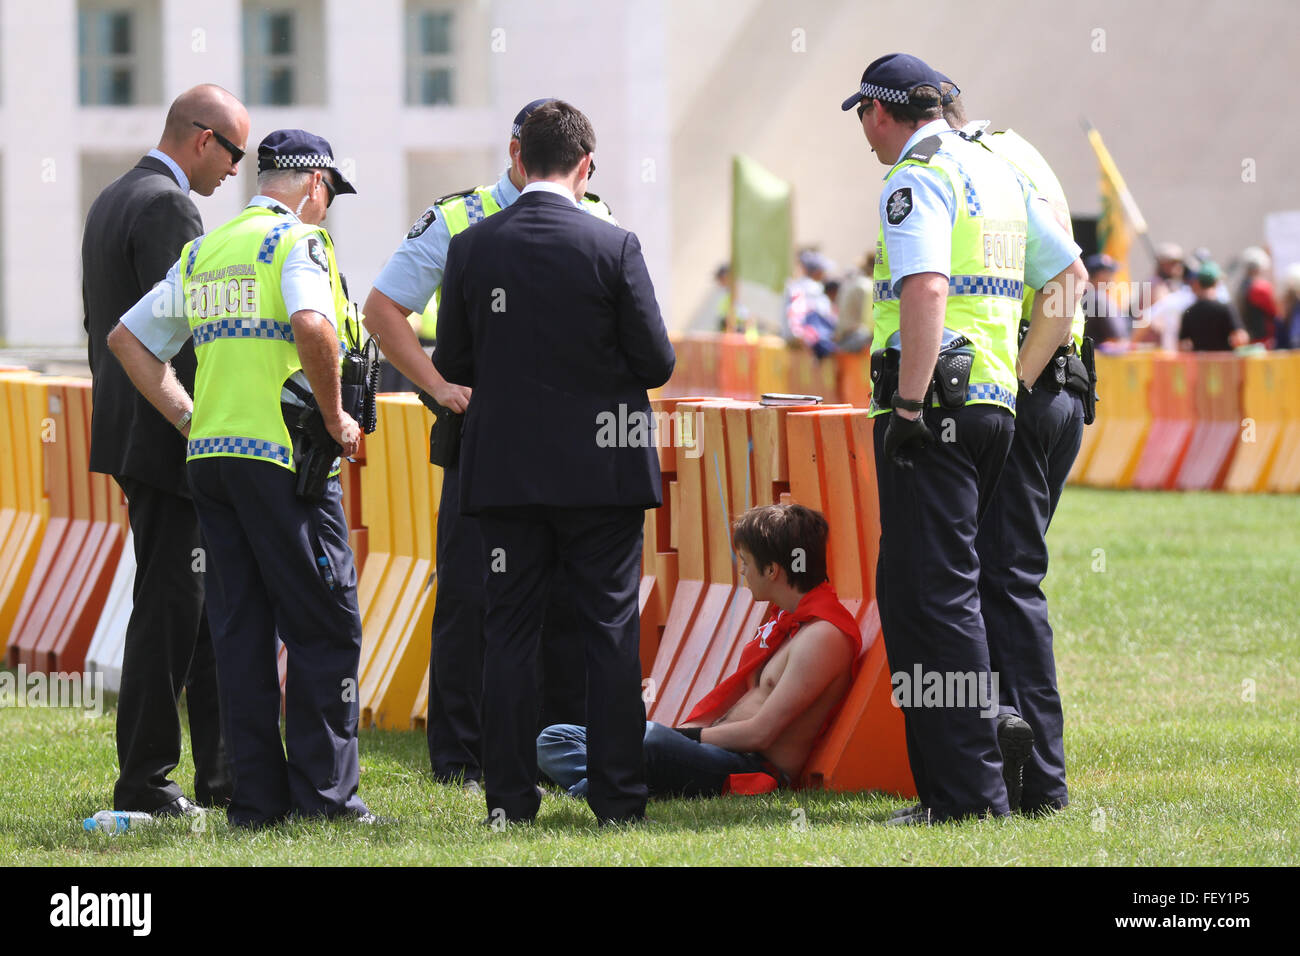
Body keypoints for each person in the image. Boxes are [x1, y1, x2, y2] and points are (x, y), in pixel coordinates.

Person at [107, 129, 376, 828]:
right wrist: (338, 415)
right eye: (328, 197)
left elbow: (126, 340)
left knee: (240, 629)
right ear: (314, 184)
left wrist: (188, 417)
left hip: (213, 461)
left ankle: (256, 802)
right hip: (285, 462)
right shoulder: (298, 244)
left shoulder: (207, 249)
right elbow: (314, 326)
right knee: (325, 624)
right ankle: (327, 800)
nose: (325, 210)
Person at [843, 53, 1084, 824]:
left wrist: (909, 406)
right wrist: (1011, 379)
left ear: (881, 112)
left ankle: (966, 796)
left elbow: (926, 287)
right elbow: (1069, 278)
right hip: (992, 411)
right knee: (983, 592)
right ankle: (1009, 767)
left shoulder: (915, 177)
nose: (864, 134)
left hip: (936, 410)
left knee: (928, 599)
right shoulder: (996, 169)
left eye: (863, 117)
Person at [363, 99, 617, 793]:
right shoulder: (457, 219)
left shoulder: (597, 217)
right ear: (513, 152)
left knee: (564, 605)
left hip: (570, 454)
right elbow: (384, 309)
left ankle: (559, 754)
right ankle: (463, 760)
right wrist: (438, 387)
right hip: (484, 447)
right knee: (473, 601)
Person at [432, 100, 674, 825]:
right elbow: (656, 361)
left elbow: (455, 362)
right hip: (604, 473)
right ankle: (619, 800)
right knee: (607, 631)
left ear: (518, 157)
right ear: (586, 165)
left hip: (506, 476)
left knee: (507, 633)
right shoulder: (614, 245)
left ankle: (508, 799)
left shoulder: (472, 247)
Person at [82, 84, 249, 818]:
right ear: (203, 139)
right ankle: (147, 780)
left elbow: (100, 321)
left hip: (132, 432)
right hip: (169, 436)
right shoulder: (169, 206)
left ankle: (221, 777)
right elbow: (179, 329)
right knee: (170, 610)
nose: (233, 173)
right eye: (234, 154)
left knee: (199, 606)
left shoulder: (114, 196)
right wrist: (201, 421)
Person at [942, 83, 1094, 815]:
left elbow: (1069, 282)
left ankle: (1038, 784)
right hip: (1057, 393)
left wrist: (1012, 386)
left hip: (1026, 393)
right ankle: (1011, 760)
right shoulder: (1019, 150)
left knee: (1002, 586)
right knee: (1000, 584)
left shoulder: (974, 168)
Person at [537, 504, 859, 799]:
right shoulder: (787, 624)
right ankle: (644, 782)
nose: (742, 571)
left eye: (745, 562)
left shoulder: (823, 637)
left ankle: (591, 791)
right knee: (556, 738)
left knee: (651, 741)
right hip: (718, 750)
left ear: (772, 570)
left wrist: (682, 739)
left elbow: (762, 734)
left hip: (750, 766)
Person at [1180, 262, 1248, 352]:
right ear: (1216, 282)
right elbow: (1241, 338)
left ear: (1198, 283)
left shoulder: (1189, 311)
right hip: (1224, 363)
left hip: (1200, 363)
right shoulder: (1226, 309)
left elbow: (1182, 345)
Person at [1236, 246, 1278, 346]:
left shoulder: (1242, 286)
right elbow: (1275, 311)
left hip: (1251, 337)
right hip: (1263, 339)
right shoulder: (1260, 288)